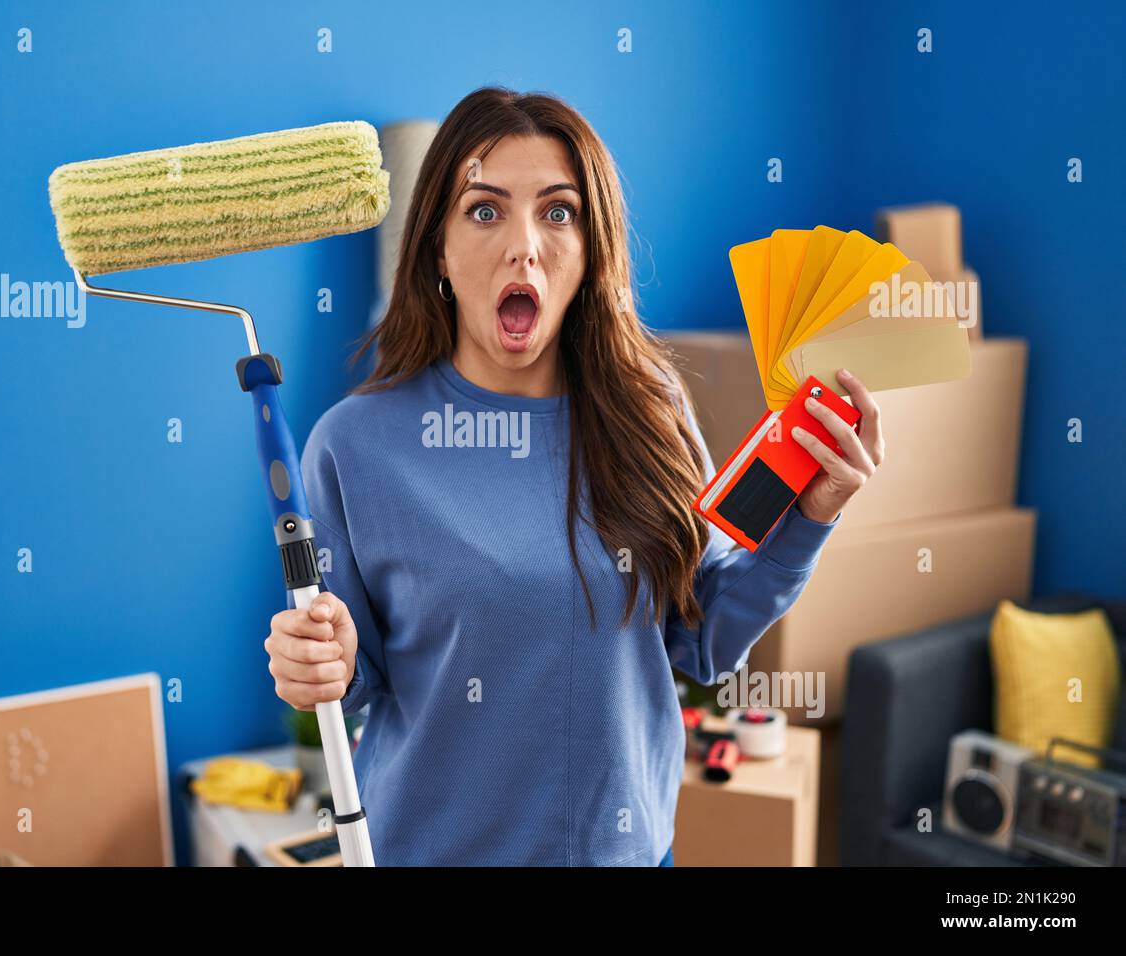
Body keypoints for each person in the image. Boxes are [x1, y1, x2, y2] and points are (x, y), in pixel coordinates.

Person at [265, 86, 884, 866]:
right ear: (437, 249)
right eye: (485, 210)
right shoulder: (353, 445)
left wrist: (812, 516)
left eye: (558, 213)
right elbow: (348, 677)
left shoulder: (650, 407)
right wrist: (321, 663)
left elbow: (703, 640)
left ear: (592, 251)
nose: (525, 244)